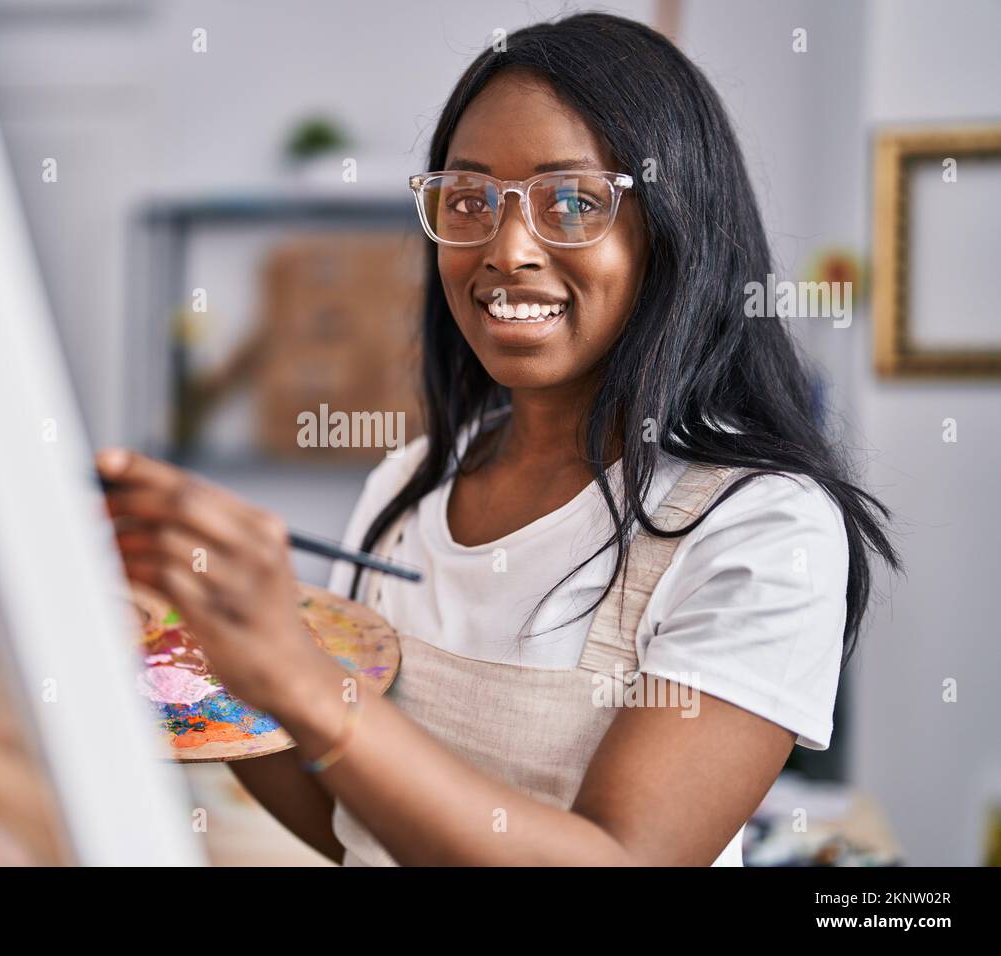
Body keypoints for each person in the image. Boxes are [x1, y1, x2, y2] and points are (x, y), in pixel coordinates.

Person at [96, 12, 901, 866]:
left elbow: (624, 858)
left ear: (675, 226)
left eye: (572, 202)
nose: (506, 247)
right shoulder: (411, 485)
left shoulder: (762, 529)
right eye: (470, 199)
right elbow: (356, 827)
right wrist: (215, 656)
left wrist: (308, 684)